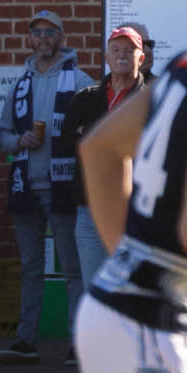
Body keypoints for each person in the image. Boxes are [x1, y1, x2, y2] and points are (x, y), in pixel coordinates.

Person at [0, 10, 92, 363]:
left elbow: (94, 134)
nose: (42, 38)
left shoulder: (80, 81)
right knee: (31, 267)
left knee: (73, 268)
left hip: (63, 186)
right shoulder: (20, 84)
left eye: (50, 32)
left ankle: (78, 342)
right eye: (36, 32)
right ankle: (26, 340)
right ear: (30, 39)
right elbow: (1, 135)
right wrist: (18, 140)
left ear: (61, 37)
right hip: (25, 185)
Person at [62, 26, 147, 302]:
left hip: (136, 214)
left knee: (134, 292)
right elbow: (67, 145)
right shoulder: (85, 99)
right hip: (90, 211)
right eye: (116, 50)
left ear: (141, 58)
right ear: (106, 57)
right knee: (95, 292)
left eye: (129, 51)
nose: (122, 56)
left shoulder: (155, 100)